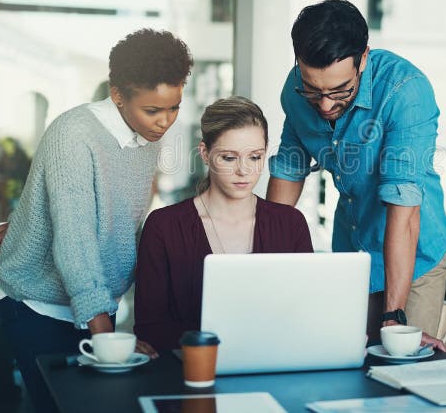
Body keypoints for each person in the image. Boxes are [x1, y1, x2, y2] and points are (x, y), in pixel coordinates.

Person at [0, 29, 193, 412]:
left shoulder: (146, 137)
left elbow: (119, 220)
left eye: (174, 107)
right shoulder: (73, 134)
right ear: (117, 94)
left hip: (98, 303)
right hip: (39, 305)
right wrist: (109, 343)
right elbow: (75, 241)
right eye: (153, 110)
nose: (165, 122)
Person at [266, 0, 446, 350]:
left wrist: (393, 316)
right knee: (350, 364)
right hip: (351, 252)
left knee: (399, 365)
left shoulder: (405, 92)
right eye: (313, 90)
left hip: (414, 258)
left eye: (340, 91)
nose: (323, 105)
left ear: (363, 59)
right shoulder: (295, 91)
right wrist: (268, 268)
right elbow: (289, 172)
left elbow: (404, 207)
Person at [134, 96, 313, 352]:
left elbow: (305, 312)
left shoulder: (290, 224)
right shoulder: (164, 227)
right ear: (205, 154)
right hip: (189, 375)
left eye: (254, 157)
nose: (244, 171)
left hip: (274, 368)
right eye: (229, 158)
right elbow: (150, 328)